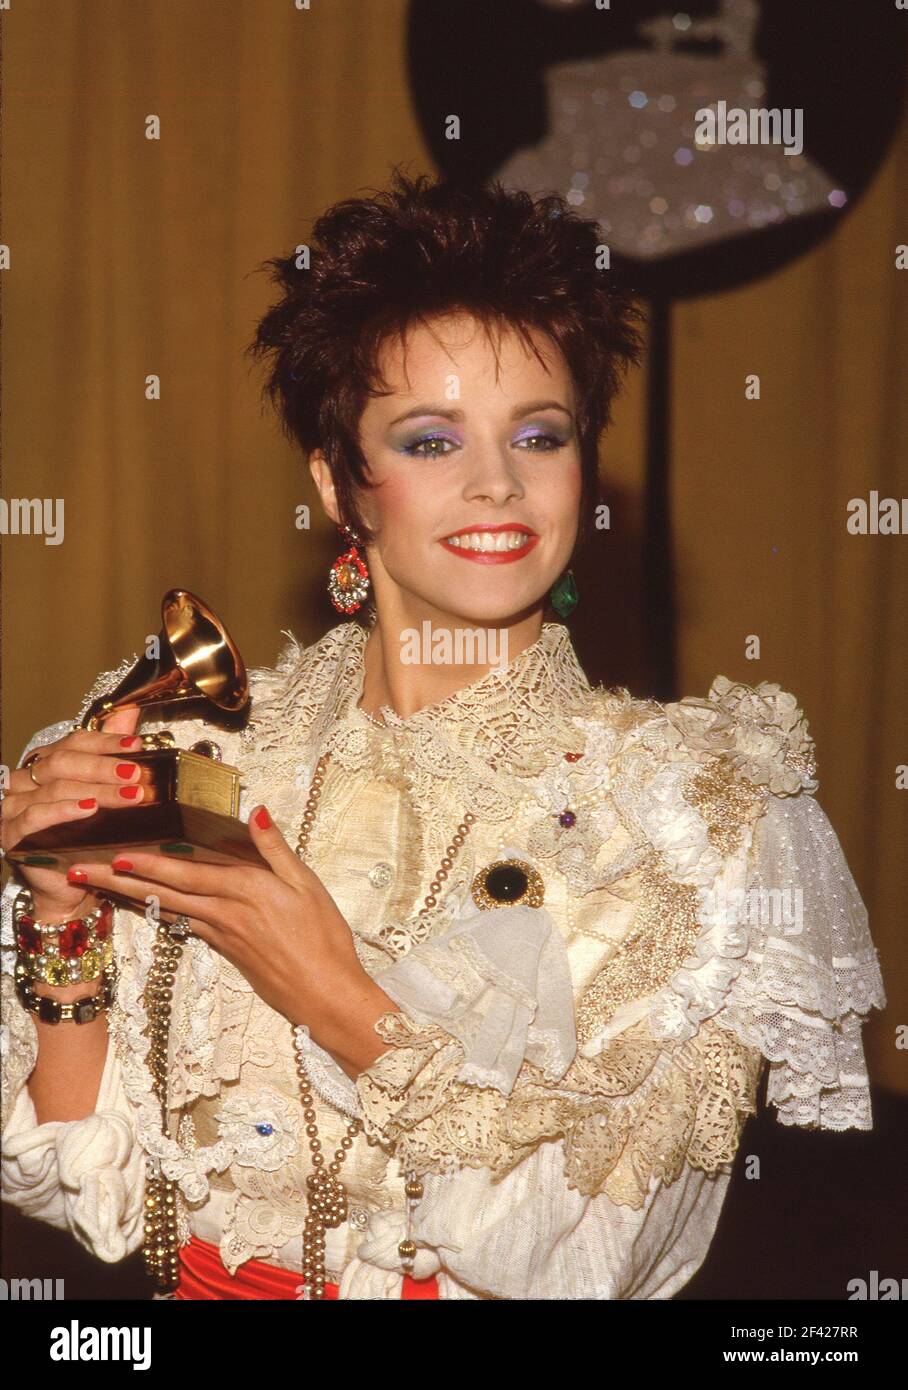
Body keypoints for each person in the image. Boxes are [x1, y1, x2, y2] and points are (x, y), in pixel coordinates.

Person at [0, 170, 886, 1301]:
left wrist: (335, 993)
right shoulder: (203, 753)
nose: (496, 485)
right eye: (428, 441)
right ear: (338, 485)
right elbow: (76, 1192)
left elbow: (591, 1261)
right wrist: (62, 917)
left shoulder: (691, 813)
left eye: (538, 434)